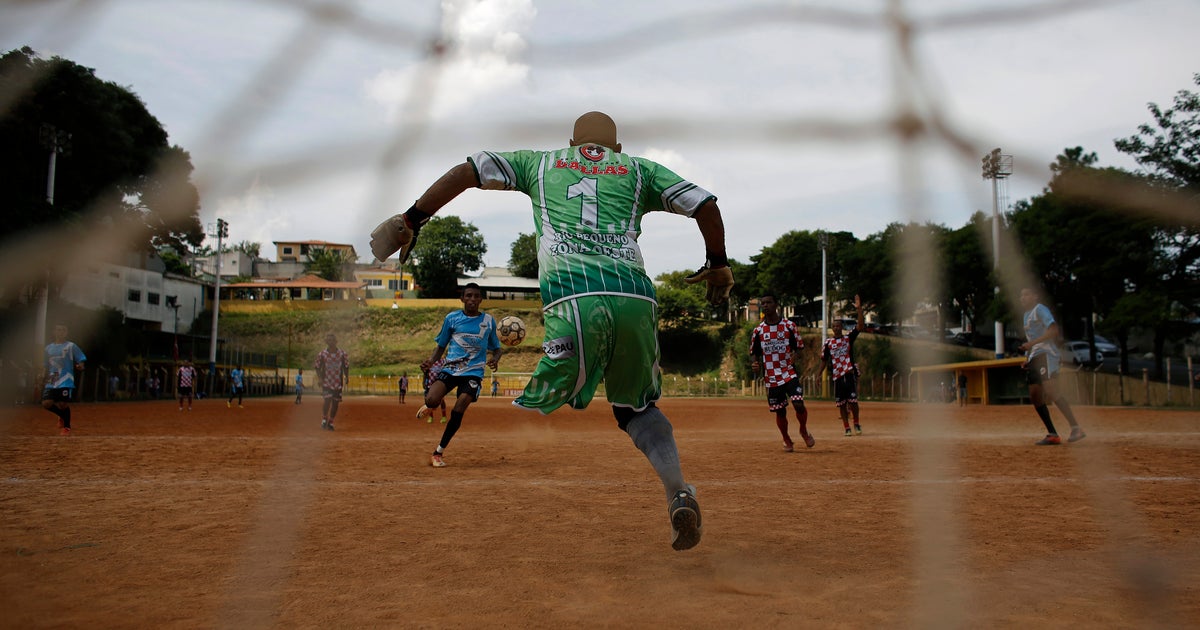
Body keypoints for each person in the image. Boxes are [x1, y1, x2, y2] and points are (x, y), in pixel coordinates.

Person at [369, 111, 733, 551]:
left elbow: (467, 171)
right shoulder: (639, 169)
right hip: (635, 298)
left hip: (572, 298)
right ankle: (677, 491)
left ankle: (535, 393)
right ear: (614, 148)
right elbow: (706, 205)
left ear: (572, 142)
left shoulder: (540, 163)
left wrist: (413, 218)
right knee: (636, 409)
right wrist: (717, 265)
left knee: (551, 391)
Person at [416, 283, 502, 467]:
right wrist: (430, 363)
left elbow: (497, 348)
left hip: (473, 372)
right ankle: (430, 405)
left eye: (476, 296)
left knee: (460, 405)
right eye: (468, 295)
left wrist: (495, 359)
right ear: (462, 298)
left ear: (481, 299)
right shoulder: (452, 319)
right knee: (432, 400)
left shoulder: (488, 321)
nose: (472, 299)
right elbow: (441, 346)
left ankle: (438, 452)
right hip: (451, 369)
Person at [1018, 287, 1085, 445]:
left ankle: (1076, 427)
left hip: (1046, 354)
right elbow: (1032, 339)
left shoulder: (1040, 309)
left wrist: (1030, 344)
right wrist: (1028, 357)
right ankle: (1052, 434)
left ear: (1035, 296)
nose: (1022, 298)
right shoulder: (1026, 315)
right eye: (1021, 295)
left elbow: (1054, 331)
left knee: (1051, 390)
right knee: (1035, 395)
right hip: (1035, 356)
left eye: (1026, 294)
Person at [750, 293, 813, 452]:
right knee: (780, 411)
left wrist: (795, 356)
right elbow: (753, 352)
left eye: (768, 302)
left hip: (788, 372)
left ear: (776, 304)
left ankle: (803, 430)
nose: (765, 305)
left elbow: (799, 347)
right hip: (771, 377)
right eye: (763, 303)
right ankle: (786, 438)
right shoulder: (758, 331)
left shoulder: (789, 326)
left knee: (798, 403)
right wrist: (755, 364)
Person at [821, 294, 865, 436]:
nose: (836, 328)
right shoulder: (828, 343)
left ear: (841, 327)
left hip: (849, 374)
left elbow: (860, 326)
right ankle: (846, 427)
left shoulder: (848, 339)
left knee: (853, 401)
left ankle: (856, 424)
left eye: (838, 326)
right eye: (834, 326)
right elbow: (824, 360)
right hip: (837, 377)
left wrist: (859, 310)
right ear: (832, 328)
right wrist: (817, 375)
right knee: (841, 404)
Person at [41, 324, 85, 435]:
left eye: (63, 330)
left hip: (66, 377)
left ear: (66, 333)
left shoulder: (71, 346)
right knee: (46, 403)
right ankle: (61, 415)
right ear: (54, 332)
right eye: (58, 330)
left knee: (63, 404)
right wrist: (41, 374)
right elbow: (45, 364)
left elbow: (80, 359)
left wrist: (81, 365)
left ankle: (66, 427)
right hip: (53, 376)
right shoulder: (48, 348)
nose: (60, 332)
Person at [315, 334, 350, 430]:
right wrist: (320, 378)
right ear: (326, 342)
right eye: (329, 340)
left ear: (336, 341)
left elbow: (346, 366)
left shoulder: (342, 354)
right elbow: (317, 367)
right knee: (327, 400)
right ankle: (324, 419)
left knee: (335, 403)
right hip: (327, 381)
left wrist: (346, 376)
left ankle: (331, 421)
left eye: (332, 340)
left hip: (337, 382)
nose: (331, 342)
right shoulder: (322, 354)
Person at [419, 359, 448, 423]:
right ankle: (430, 417)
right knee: (428, 401)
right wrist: (424, 382)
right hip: (429, 385)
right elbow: (425, 372)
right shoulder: (429, 362)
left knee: (442, 401)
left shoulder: (443, 361)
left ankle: (444, 416)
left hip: (438, 385)